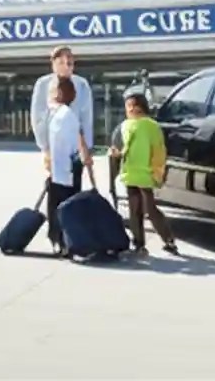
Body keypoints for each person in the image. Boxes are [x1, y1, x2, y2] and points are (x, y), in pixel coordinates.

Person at [110, 92, 179, 257]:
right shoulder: (125, 126)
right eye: (128, 106)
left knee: (148, 208)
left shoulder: (151, 126)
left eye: (134, 105)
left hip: (145, 173)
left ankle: (167, 239)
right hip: (131, 173)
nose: (131, 109)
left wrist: (157, 171)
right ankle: (139, 243)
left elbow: (158, 150)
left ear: (142, 107)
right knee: (137, 209)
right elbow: (120, 148)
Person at [30, 45, 94, 191]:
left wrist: (87, 148)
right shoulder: (44, 84)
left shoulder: (81, 84)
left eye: (69, 62)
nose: (66, 65)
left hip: (76, 145)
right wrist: (45, 148)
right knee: (56, 189)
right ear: (53, 64)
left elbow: (86, 117)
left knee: (75, 188)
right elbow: (37, 116)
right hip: (55, 143)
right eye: (61, 62)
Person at [45, 75, 94, 257]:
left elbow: (65, 142)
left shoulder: (61, 114)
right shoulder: (65, 114)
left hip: (63, 169)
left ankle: (60, 240)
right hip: (69, 168)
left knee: (59, 206)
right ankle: (65, 240)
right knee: (66, 206)